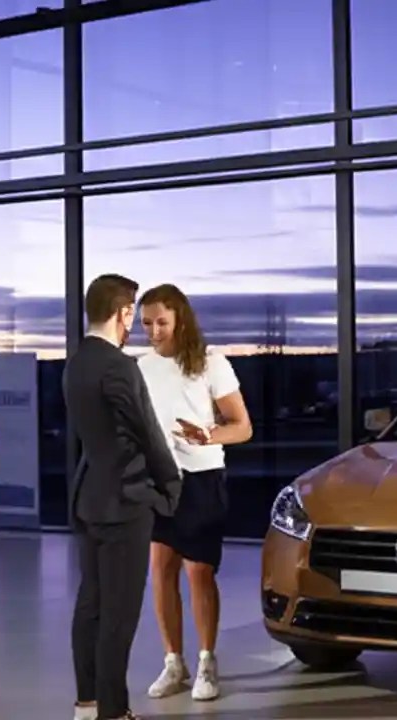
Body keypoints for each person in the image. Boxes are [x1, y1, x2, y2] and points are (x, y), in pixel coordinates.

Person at [65, 274, 183, 720]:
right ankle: (115, 712)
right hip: (125, 501)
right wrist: (170, 485)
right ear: (123, 312)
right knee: (119, 614)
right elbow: (147, 433)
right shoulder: (119, 366)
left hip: (90, 496)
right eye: (133, 311)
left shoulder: (76, 363)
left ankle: (87, 705)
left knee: (90, 605)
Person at [137, 284, 251, 702]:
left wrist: (208, 434)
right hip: (158, 481)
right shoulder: (142, 368)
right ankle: (173, 663)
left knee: (198, 572)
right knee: (160, 570)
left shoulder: (210, 363)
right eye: (146, 323)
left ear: (179, 319)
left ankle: (206, 661)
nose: (153, 331)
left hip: (202, 479)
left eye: (160, 322)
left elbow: (243, 426)